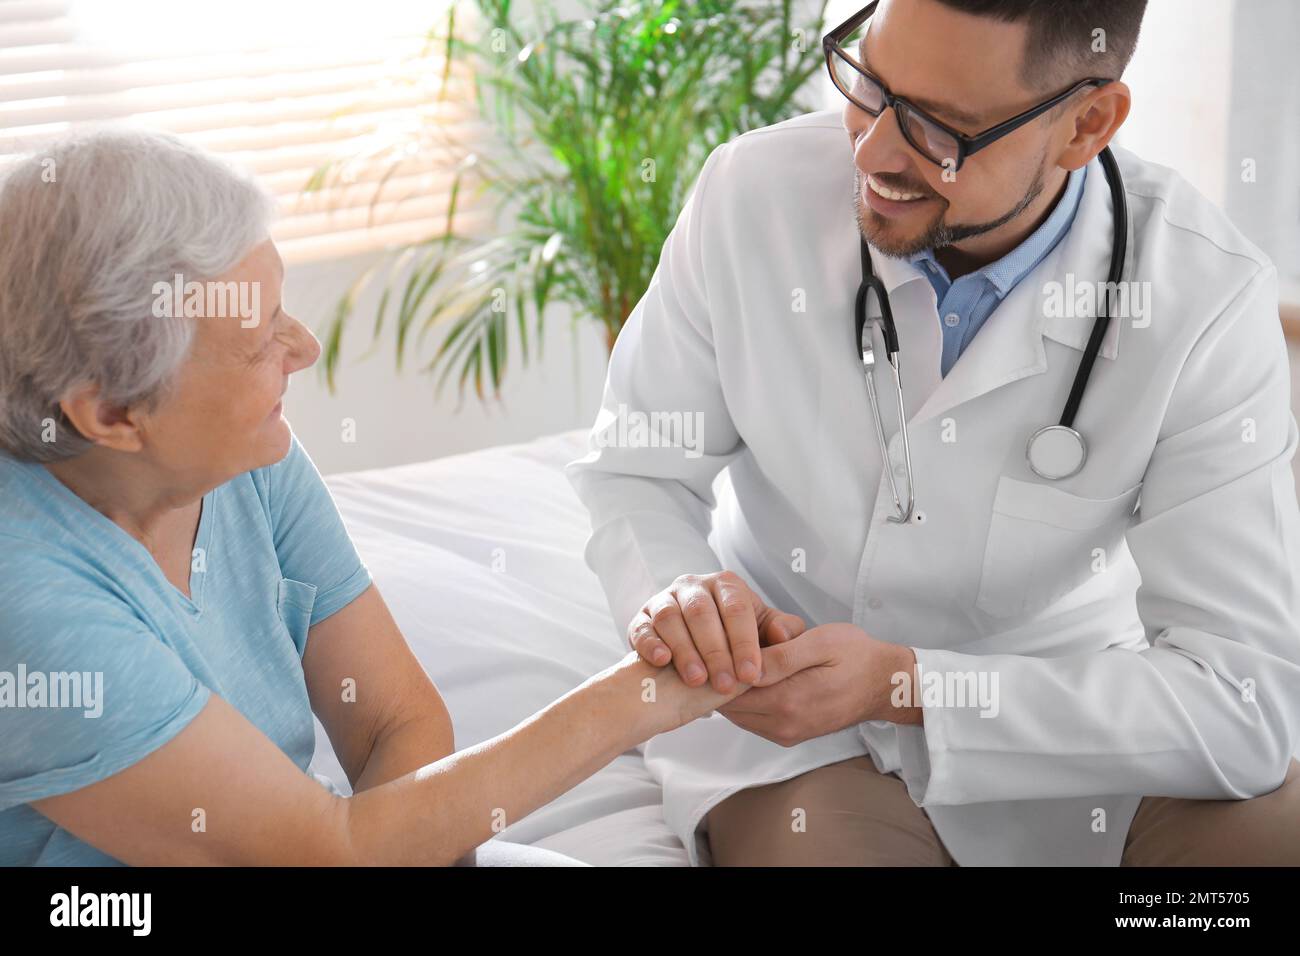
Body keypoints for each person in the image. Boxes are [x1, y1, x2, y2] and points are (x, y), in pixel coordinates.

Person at [567, 0, 1300, 866]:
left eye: (940, 127)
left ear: (1086, 123)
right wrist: (685, 598)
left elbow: (1242, 702)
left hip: (1063, 711)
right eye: (869, 83)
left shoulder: (1204, 299)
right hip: (791, 719)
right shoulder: (749, 198)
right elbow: (637, 470)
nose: (873, 151)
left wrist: (910, 684)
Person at [0, 127, 753, 866]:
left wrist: (405, 853)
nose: (304, 347)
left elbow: (397, 721)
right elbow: (332, 851)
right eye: (260, 338)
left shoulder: (247, 456)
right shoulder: (33, 609)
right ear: (111, 415)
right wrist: (648, 692)